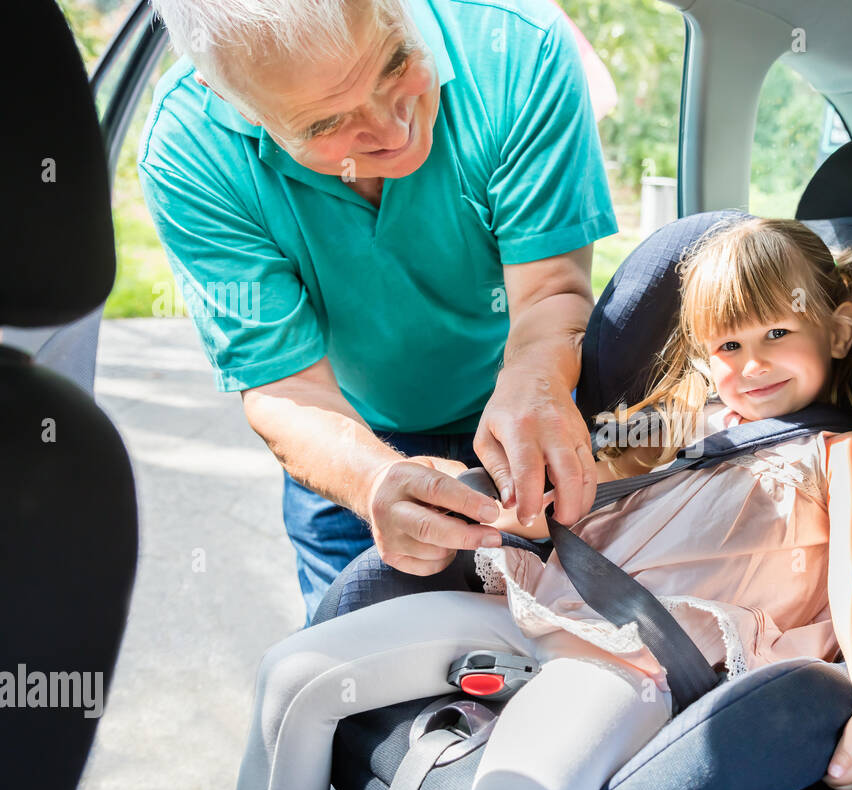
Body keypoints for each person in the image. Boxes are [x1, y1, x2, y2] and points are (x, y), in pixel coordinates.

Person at [224, 217, 852, 790]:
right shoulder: (682, 423)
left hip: (639, 658)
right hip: (542, 602)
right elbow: (586, 493)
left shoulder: (837, 451)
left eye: (778, 333)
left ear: (839, 331)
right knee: (292, 676)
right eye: (729, 346)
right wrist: (499, 501)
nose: (752, 364)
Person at [138, 0, 618, 624]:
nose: (393, 132)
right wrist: (372, 483)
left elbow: (551, 293)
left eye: (396, 64)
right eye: (327, 123)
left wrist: (537, 379)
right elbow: (286, 387)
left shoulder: (519, 47)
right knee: (358, 665)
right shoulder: (189, 150)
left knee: (569, 637)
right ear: (233, 101)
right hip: (348, 439)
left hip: (532, 404)